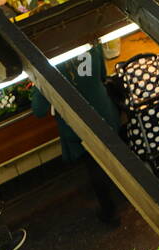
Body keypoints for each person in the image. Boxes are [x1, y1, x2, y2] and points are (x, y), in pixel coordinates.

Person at [29, 43, 123, 224]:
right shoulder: (88, 43)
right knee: (117, 153)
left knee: (95, 167)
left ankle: (110, 213)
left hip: (78, 125)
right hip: (105, 113)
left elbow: (39, 110)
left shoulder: (43, 64)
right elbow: (102, 75)